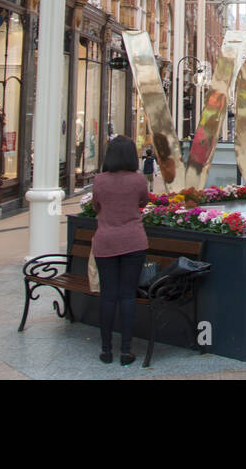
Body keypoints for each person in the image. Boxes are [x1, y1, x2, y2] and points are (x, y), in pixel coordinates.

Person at [91, 135, 151, 365]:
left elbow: (96, 206)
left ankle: (106, 350)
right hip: (133, 242)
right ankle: (126, 351)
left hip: (105, 242)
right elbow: (143, 202)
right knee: (127, 296)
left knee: (108, 296)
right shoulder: (138, 180)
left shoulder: (99, 180)